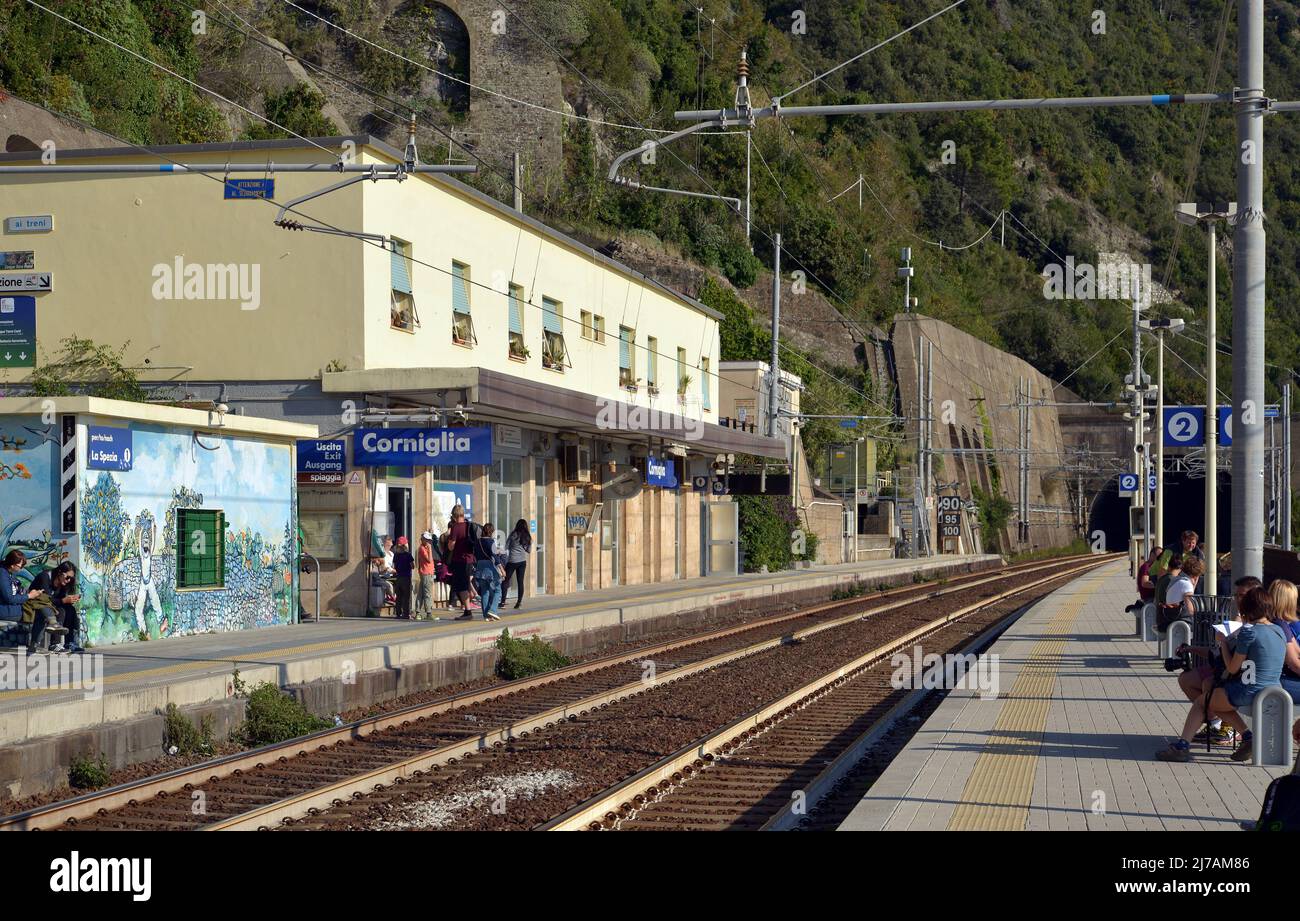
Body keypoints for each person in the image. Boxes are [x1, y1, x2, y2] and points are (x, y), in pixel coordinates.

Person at [1157, 587, 1288, 763]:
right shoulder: (1278, 630)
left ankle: (1182, 747)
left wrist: (1223, 643)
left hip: (1249, 689)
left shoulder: (1249, 632)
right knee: (1215, 700)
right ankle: (1248, 737)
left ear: (1247, 608)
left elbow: (1233, 667)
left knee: (1202, 701)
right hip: (1273, 688)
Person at [28, 562, 82, 653]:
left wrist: (70, 599)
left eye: (71, 579)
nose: (69, 580)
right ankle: (54, 644)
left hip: (49, 606)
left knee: (70, 609)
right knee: (60, 611)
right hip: (37, 605)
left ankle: (69, 642)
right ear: (60, 572)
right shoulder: (45, 577)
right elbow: (45, 600)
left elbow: (59, 600)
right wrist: (63, 601)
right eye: (67, 577)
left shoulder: (62, 584)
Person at [1269, 578, 1300, 707]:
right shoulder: (1279, 626)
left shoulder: (1281, 624)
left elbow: (1298, 652)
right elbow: (1294, 663)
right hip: (1281, 681)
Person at [445, 506, 478, 618]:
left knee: (460, 586)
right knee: (464, 584)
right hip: (470, 560)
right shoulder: (469, 525)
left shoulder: (455, 527)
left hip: (459, 560)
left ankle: (468, 611)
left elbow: (451, 547)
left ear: (454, 516)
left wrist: (448, 539)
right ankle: (468, 608)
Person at [0, 549, 42, 626]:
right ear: (12, 565)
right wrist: (29, 596)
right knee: (39, 616)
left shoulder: (9, 572)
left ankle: (53, 621)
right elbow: (9, 598)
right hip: (5, 611)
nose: (21, 568)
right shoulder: (2, 575)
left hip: (10, 608)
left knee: (39, 609)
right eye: (20, 566)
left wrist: (27, 592)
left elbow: (16, 590)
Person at [470, 522, 503, 622]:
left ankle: (486, 616)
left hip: (480, 567)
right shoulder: (490, 542)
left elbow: (474, 554)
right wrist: (501, 569)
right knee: (498, 589)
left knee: (485, 591)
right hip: (489, 567)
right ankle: (493, 610)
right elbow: (495, 556)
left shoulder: (478, 542)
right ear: (491, 532)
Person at [501, 519, 532, 610]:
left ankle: (502, 602)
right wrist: (523, 547)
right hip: (522, 562)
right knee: (520, 582)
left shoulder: (513, 534)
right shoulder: (527, 537)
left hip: (512, 561)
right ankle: (518, 603)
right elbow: (529, 550)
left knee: (505, 580)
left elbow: (506, 546)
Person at [1128, 545, 1161, 613]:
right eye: (1159, 556)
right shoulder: (1147, 567)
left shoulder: (1154, 566)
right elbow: (1144, 583)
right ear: (1152, 555)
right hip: (1149, 599)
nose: (1161, 558)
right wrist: (1159, 585)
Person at [391, 536, 415, 619]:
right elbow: (413, 566)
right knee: (406, 597)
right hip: (406, 577)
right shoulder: (408, 555)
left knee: (399, 596)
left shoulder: (396, 555)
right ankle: (406, 613)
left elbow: (394, 566)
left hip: (398, 578)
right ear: (405, 545)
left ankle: (398, 613)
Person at [416, 531, 438, 619]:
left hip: (428, 572)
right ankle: (428, 612)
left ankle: (418, 612)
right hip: (426, 573)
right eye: (427, 540)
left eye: (430, 540)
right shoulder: (422, 548)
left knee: (421, 593)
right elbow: (429, 560)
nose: (429, 542)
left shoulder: (425, 547)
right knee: (427, 593)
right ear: (423, 539)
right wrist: (430, 549)